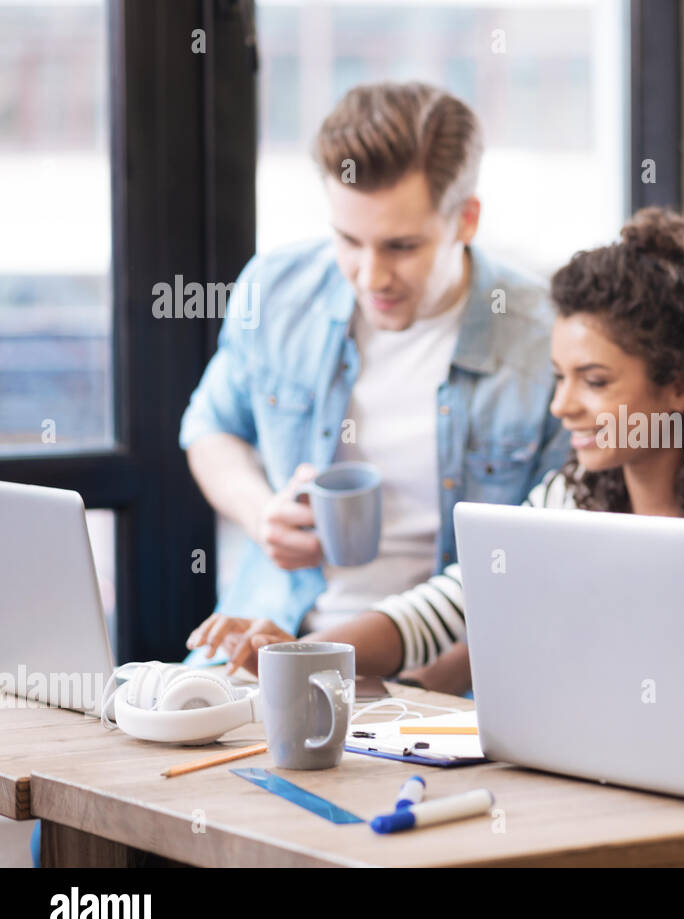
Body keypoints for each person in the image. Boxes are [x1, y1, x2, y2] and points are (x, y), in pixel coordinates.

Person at [188, 208, 684, 692]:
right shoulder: (565, 504)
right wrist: (308, 655)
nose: (562, 405)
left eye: (593, 382)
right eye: (559, 377)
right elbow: (439, 607)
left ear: (678, 386)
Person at [180, 82, 567, 654]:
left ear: (466, 220)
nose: (370, 276)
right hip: (265, 639)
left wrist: (401, 685)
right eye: (348, 239)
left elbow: (554, 559)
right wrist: (263, 513)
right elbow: (209, 428)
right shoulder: (278, 290)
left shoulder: (544, 338)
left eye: (402, 247)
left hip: (452, 669)